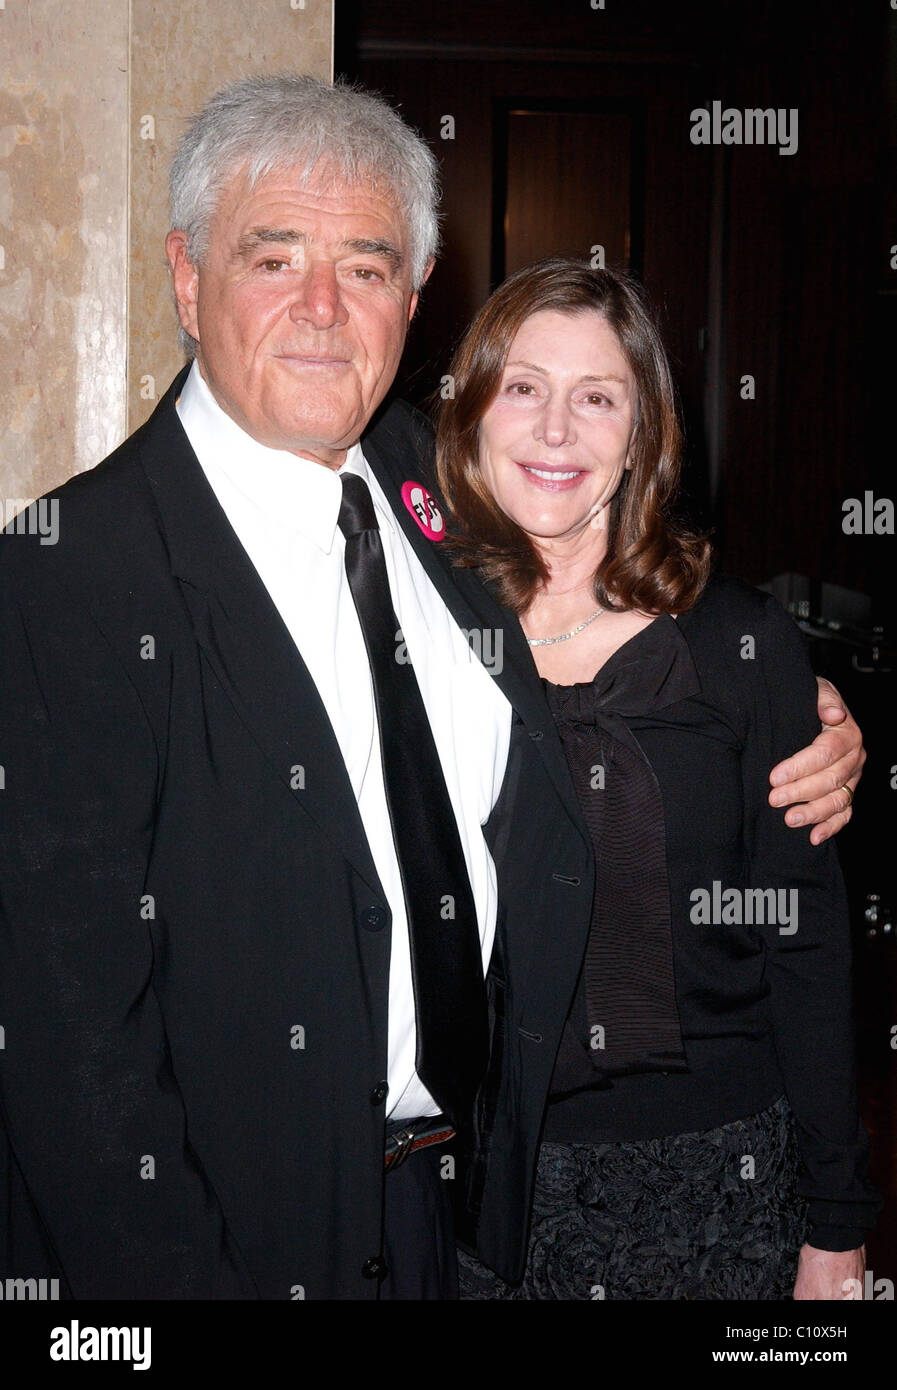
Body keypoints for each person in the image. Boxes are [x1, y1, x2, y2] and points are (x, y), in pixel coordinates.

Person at [0, 77, 864, 1301]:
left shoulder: (432, 489)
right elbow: (67, 1038)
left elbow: (613, 642)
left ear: (411, 301)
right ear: (187, 280)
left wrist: (804, 710)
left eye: (364, 266)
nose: (320, 308)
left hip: (455, 1216)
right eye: (274, 256)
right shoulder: (72, 573)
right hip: (231, 1225)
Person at [435, 258, 881, 1301]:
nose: (556, 431)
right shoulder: (422, 633)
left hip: (719, 1187)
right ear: (470, 414)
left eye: (597, 398)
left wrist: (838, 1223)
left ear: (642, 434)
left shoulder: (742, 644)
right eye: (524, 388)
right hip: (484, 1191)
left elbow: (807, 949)